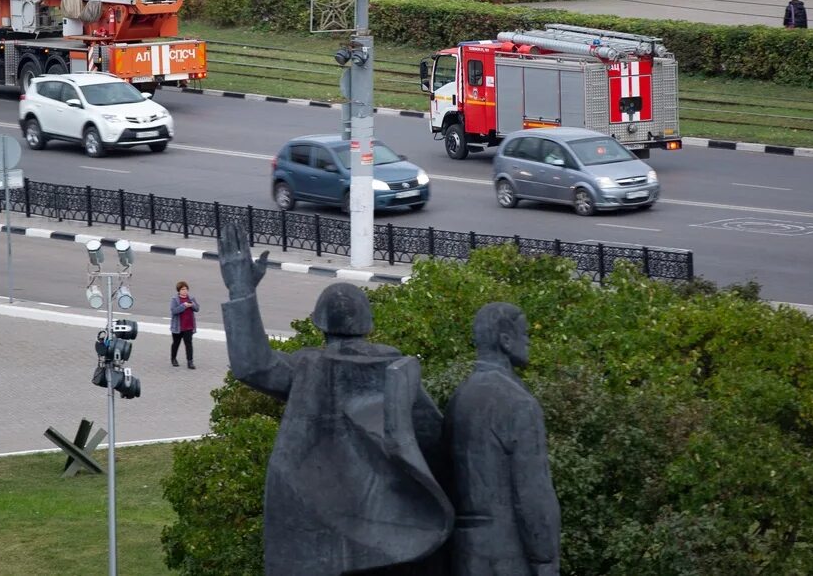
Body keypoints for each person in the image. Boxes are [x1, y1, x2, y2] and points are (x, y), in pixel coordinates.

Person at [217, 223, 452, 575]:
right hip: (384, 528)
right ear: (367, 324)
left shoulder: (310, 368)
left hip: (314, 525)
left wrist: (240, 289)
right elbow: (433, 439)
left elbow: (253, 365)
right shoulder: (395, 368)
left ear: (320, 324)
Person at [445, 302, 560, 576]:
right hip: (509, 554)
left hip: (463, 552)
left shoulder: (460, 397)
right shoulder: (518, 403)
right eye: (524, 333)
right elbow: (532, 493)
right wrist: (545, 561)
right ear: (506, 341)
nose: (529, 340)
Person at [170, 281, 199, 369]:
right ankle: (173, 358)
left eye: (186, 289)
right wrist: (184, 306)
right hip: (178, 327)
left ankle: (190, 362)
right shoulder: (174, 299)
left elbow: (197, 309)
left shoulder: (191, 298)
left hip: (188, 326)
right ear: (179, 290)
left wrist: (192, 305)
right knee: (176, 343)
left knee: (189, 344)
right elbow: (174, 311)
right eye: (183, 289)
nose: (185, 291)